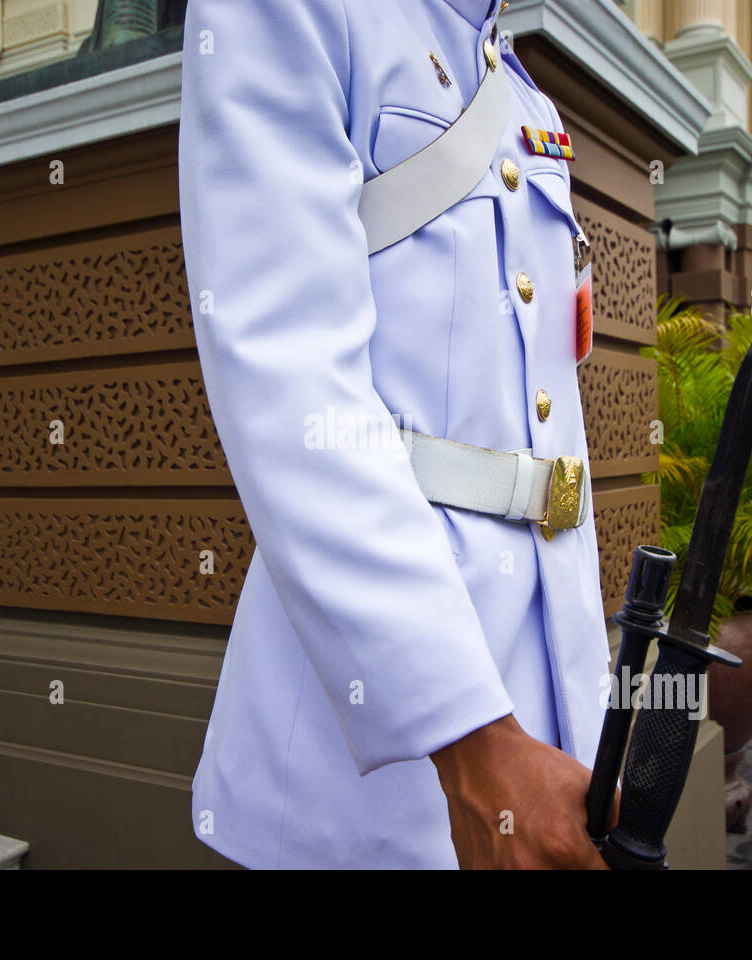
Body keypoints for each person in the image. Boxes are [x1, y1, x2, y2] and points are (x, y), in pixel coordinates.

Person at [178, 0, 616, 869]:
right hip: (391, 755)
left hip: (551, 710)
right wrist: (471, 739)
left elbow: (548, 438)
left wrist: (590, 702)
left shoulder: (526, 101)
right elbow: (290, 375)